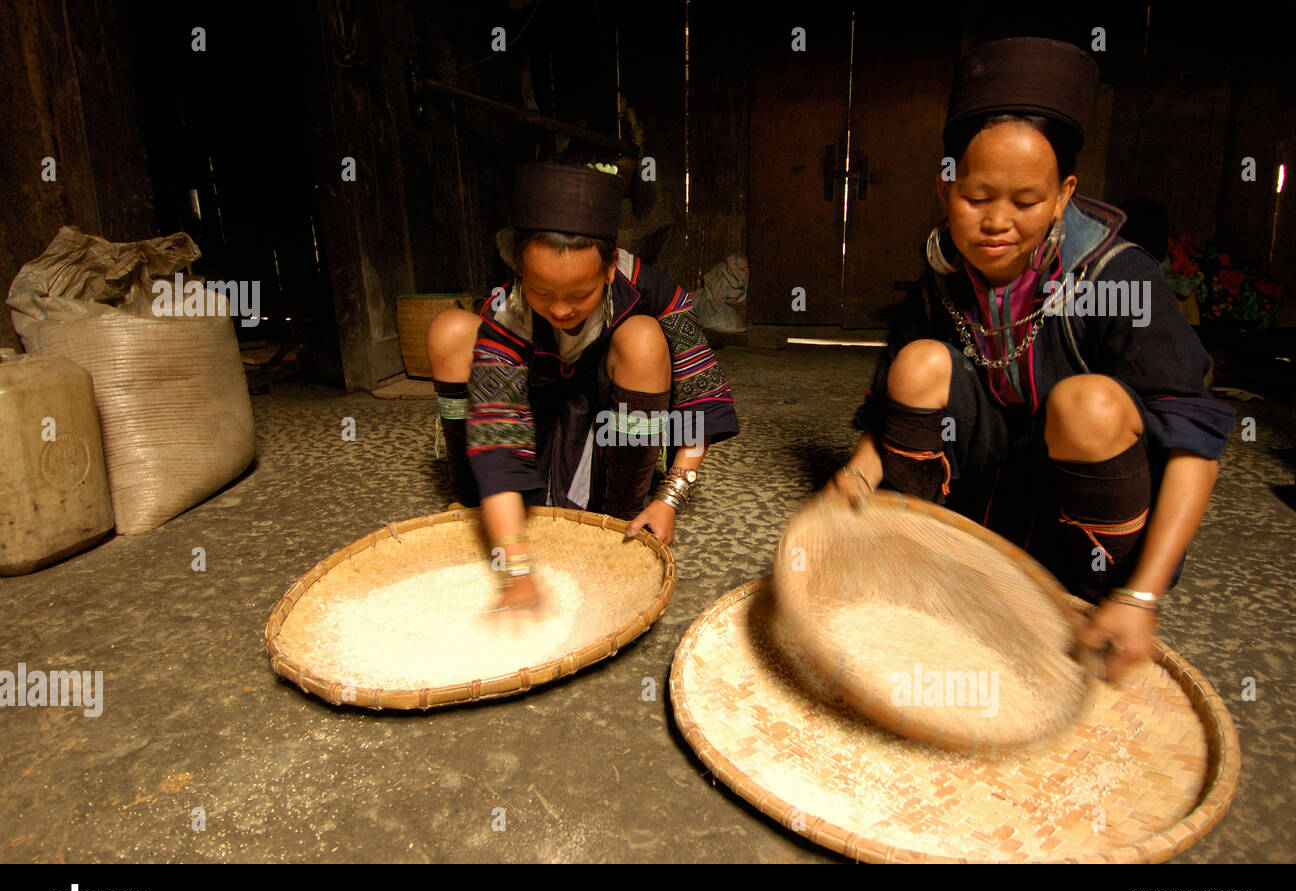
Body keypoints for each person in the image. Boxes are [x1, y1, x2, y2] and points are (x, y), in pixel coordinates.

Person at [829, 38, 1233, 681]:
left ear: (1064, 194)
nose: (996, 223)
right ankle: (928, 553)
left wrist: (1143, 596)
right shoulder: (942, 276)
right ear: (945, 186)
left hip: (1081, 502)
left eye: (1026, 202)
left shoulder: (1118, 277)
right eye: (977, 196)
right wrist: (850, 483)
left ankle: (1088, 593)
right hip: (981, 493)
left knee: (1089, 403)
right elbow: (893, 407)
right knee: (918, 361)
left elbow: (1195, 445)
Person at [426, 161, 739, 611]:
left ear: (610, 268)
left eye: (579, 295)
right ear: (520, 273)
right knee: (450, 329)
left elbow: (700, 394)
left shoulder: (654, 291)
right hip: (532, 419)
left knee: (644, 339)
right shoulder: (508, 312)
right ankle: (469, 496)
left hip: (613, 426)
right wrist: (516, 568)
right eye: (542, 293)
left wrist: (671, 496)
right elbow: (498, 439)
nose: (561, 310)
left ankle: (620, 516)